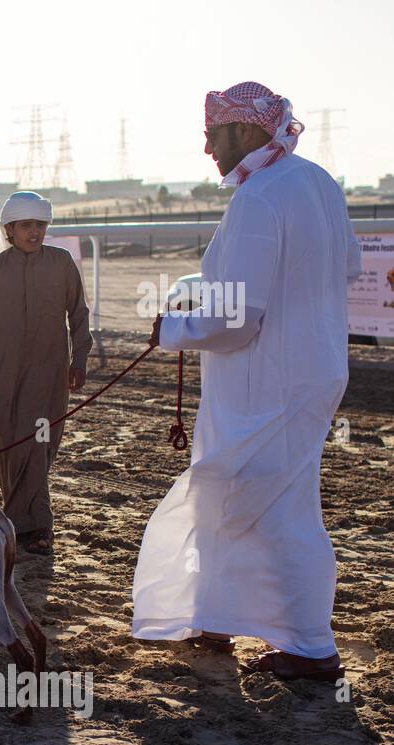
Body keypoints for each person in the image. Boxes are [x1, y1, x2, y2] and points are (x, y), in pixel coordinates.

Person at [133, 82, 361, 682]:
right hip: (307, 374)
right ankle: (215, 618)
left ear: (245, 130)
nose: (206, 144)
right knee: (238, 497)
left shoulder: (260, 196)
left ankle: (312, 647)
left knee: (263, 505)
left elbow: (237, 321)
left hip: (267, 384)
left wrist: (174, 328)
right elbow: (351, 266)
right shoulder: (317, 182)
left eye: (214, 131)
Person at [0, 191, 91, 554]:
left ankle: (30, 524)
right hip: (7, 372)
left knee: (41, 443)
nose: (34, 232)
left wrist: (79, 359)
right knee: (11, 444)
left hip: (52, 371)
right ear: (9, 229)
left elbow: (78, 314)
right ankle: (27, 524)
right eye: (26, 226)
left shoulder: (61, 262)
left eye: (40, 225)